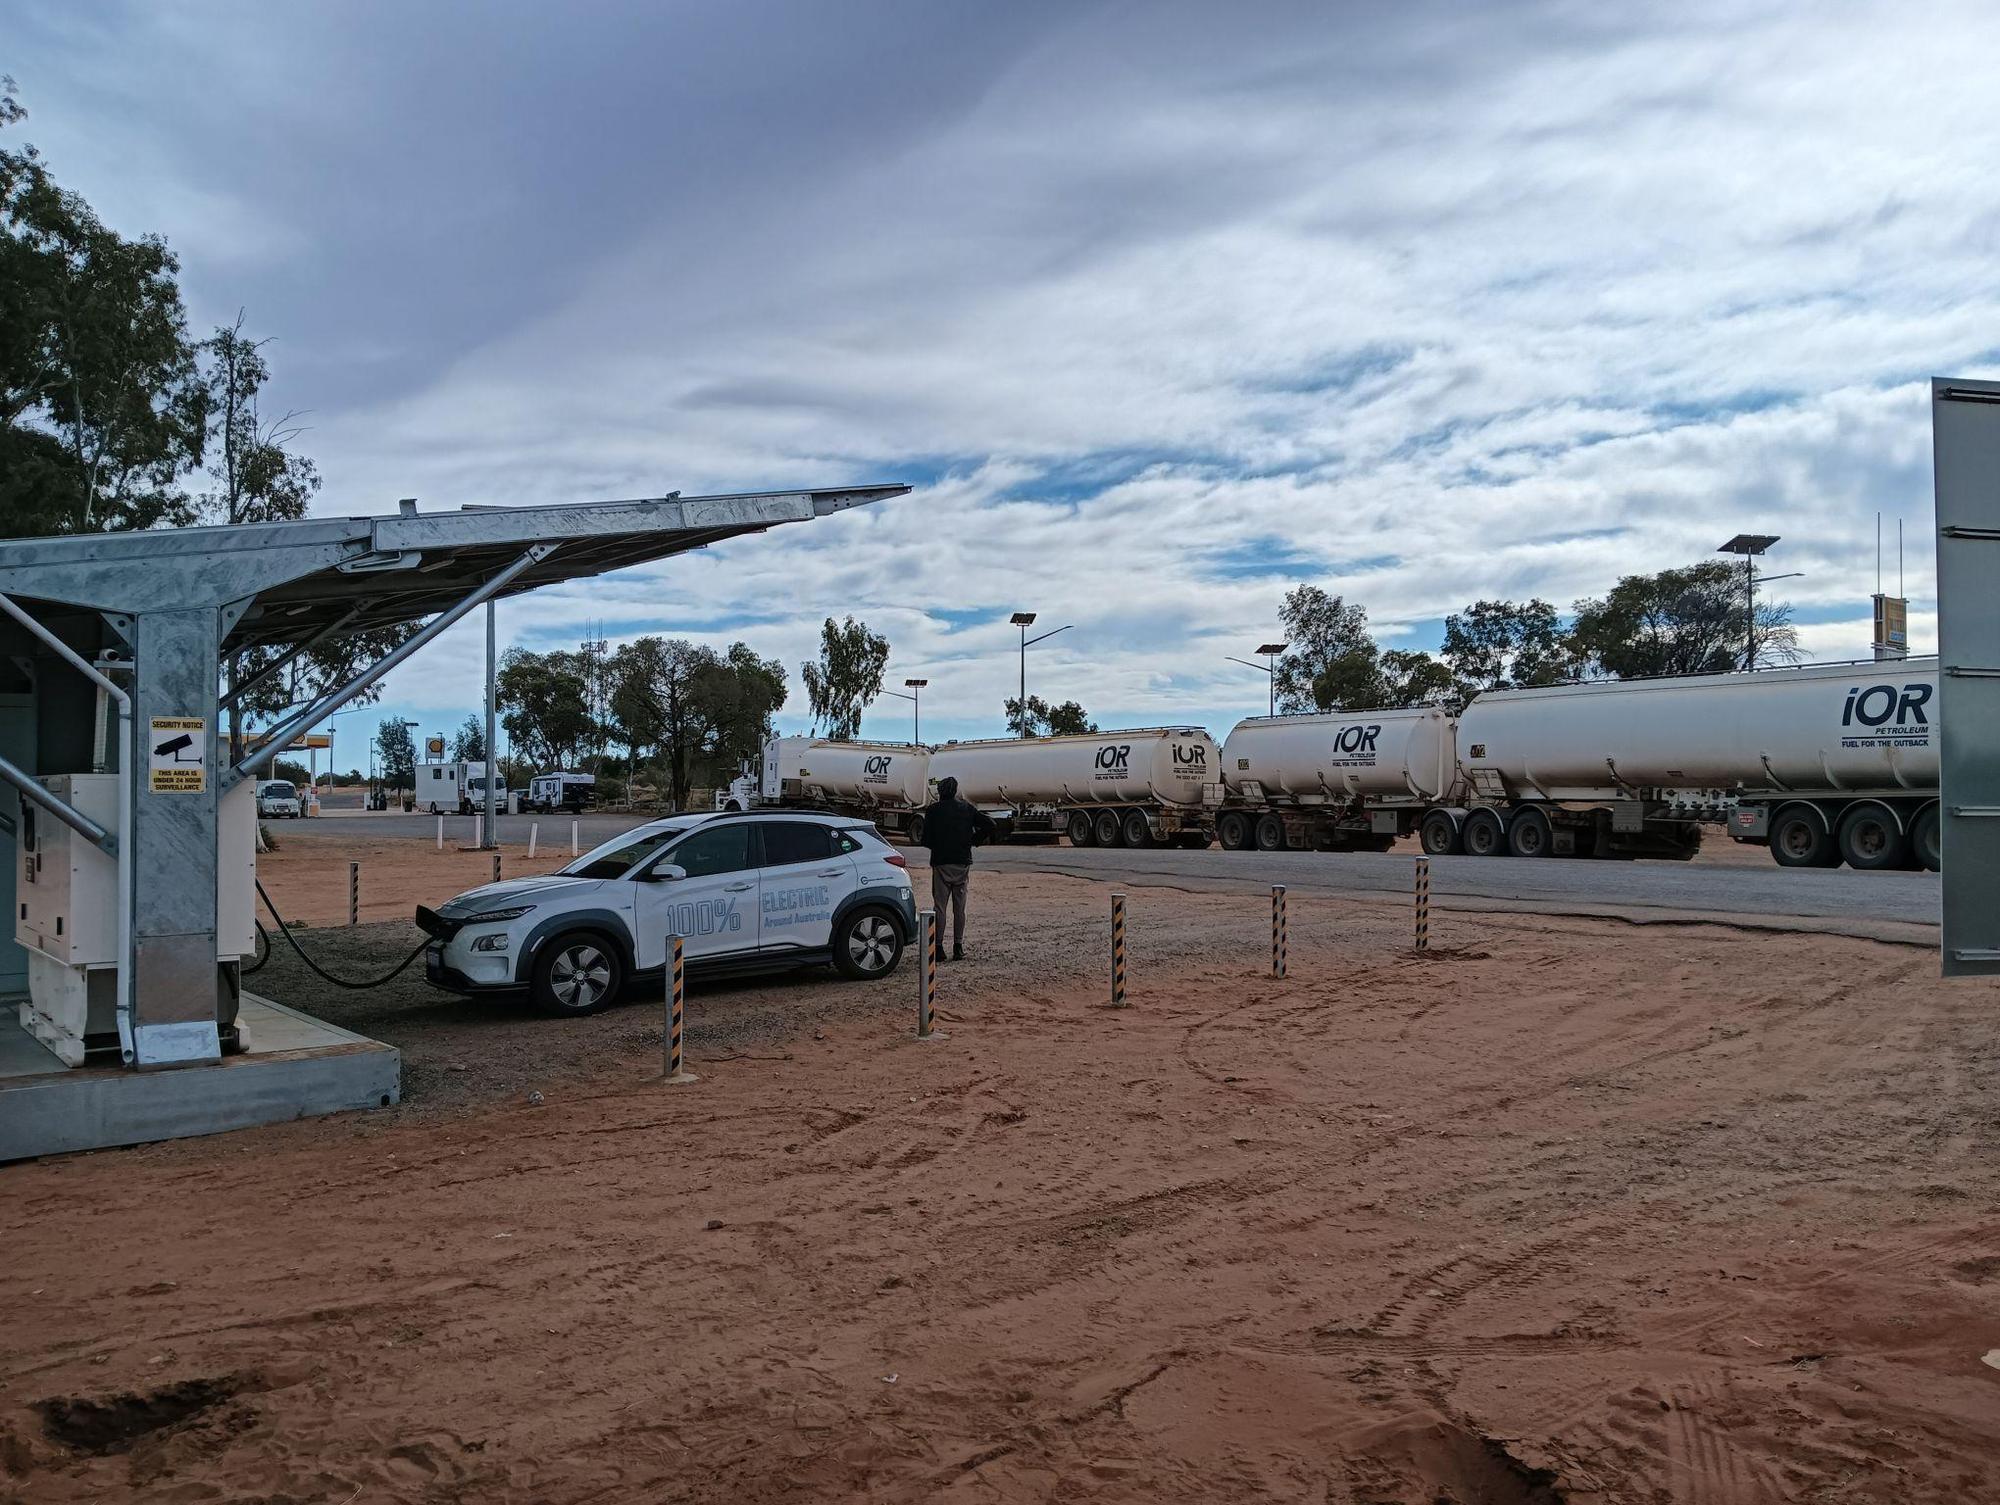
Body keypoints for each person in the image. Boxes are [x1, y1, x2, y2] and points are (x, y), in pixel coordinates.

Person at [918, 775, 996, 961]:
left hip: (941, 863)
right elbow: (991, 824)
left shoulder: (933, 811)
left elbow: (926, 840)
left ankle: (938, 948)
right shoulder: (966, 809)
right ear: (955, 791)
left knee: (940, 907)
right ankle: (958, 946)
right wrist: (973, 841)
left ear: (940, 792)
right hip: (962, 863)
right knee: (959, 908)